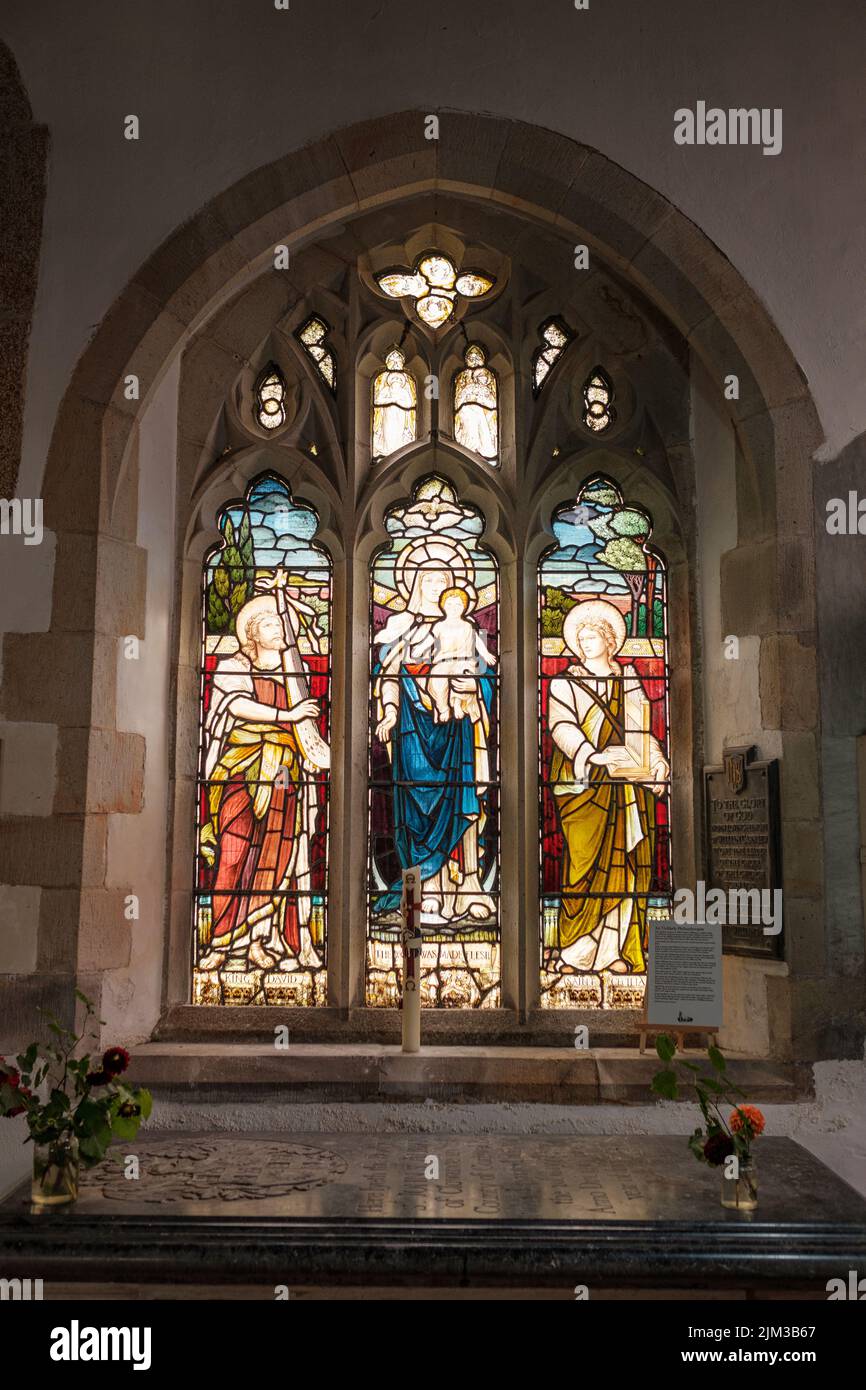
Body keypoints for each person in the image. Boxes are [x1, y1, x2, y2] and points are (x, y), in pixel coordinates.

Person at [197, 594, 323, 974]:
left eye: (279, 624)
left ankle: (257, 940)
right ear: (252, 633)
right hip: (243, 766)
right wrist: (287, 714)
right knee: (233, 852)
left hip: (284, 770)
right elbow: (236, 706)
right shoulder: (234, 666)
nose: (277, 629)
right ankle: (220, 940)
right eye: (269, 624)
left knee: (277, 851)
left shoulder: (292, 671)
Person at [547, 598, 668, 975]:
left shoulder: (628, 679)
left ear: (610, 640)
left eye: (592, 637)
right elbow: (560, 726)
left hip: (624, 786)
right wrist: (588, 753)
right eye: (580, 638)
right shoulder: (565, 683)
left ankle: (617, 950)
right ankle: (575, 952)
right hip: (583, 784)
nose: (585, 643)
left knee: (626, 865)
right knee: (582, 868)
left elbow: (638, 730)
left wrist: (658, 761)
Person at [374, 548, 495, 924]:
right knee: (416, 808)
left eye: (444, 580)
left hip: (459, 725)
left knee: (464, 801)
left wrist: (475, 685)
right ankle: (425, 889)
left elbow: (487, 676)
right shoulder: (401, 628)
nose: (437, 585)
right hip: (413, 729)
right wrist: (391, 711)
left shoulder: (469, 629)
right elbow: (388, 675)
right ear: (412, 584)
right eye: (428, 578)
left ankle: (469, 887)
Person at [416, 585, 496, 724]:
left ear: (464, 607)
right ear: (443, 606)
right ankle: (443, 707)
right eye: (450, 604)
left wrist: (486, 654)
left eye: (458, 604)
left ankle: (457, 703)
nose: (454, 607)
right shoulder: (439, 625)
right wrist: (419, 649)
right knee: (437, 679)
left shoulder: (467, 625)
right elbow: (429, 640)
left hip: (464, 660)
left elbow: (477, 641)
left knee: (462, 675)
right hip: (443, 662)